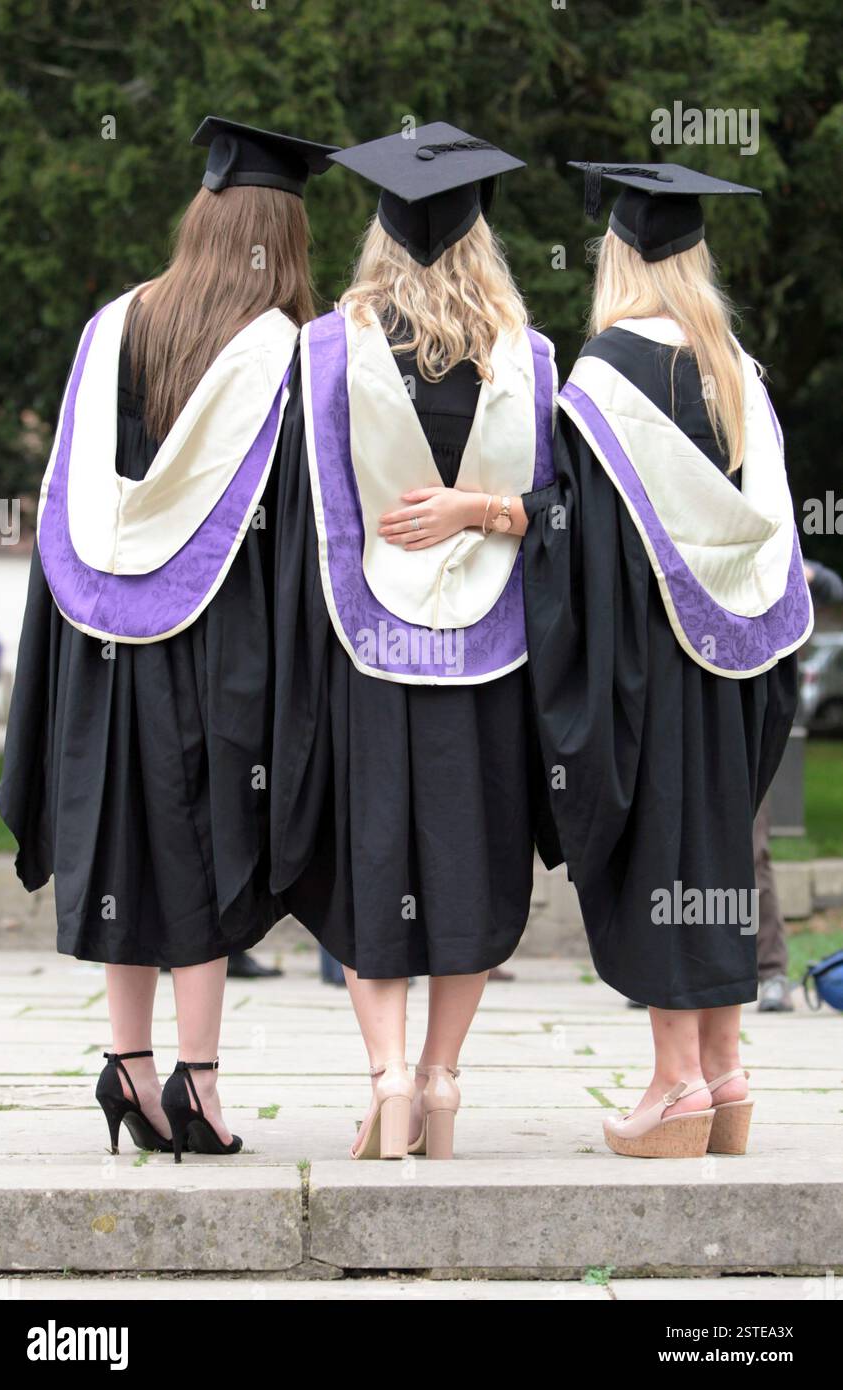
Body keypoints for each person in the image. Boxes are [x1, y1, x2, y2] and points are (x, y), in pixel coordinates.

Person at [0, 117, 337, 1161]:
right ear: (279, 233)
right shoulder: (279, 351)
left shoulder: (112, 325)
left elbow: (75, 493)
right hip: (213, 645)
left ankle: (125, 1063)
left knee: (123, 845)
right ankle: (198, 1081)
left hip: (102, 642)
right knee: (197, 845)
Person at [268, 124, 559, 1159]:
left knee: (371, 858)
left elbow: (298, 527)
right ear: (482, 237)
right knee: (472, 865)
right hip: (491, 662)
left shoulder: (322, 353)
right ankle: (440, 1084)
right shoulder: (529, 361)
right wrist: (480, 510)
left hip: (365, 658)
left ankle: (386, 1077)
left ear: (377, 239)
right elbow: (565, 513)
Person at [516, 163, 813, 1157]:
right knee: (722, 852)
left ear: (617, 257)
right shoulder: (737, 368)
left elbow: (579, 539)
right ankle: (727, 1079)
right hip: (734, 670)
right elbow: (766, 535)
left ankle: (673, 1086)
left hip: (645, 669)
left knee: (655, 857)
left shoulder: (602, 378)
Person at [755, 557, 843, 1011]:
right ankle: (660, 978)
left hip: (755, 725)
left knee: (752, 853)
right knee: (672, 848)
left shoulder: (770, 537)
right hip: (688, 719)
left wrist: (798, 571)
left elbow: (828, 583)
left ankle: (770, 973)